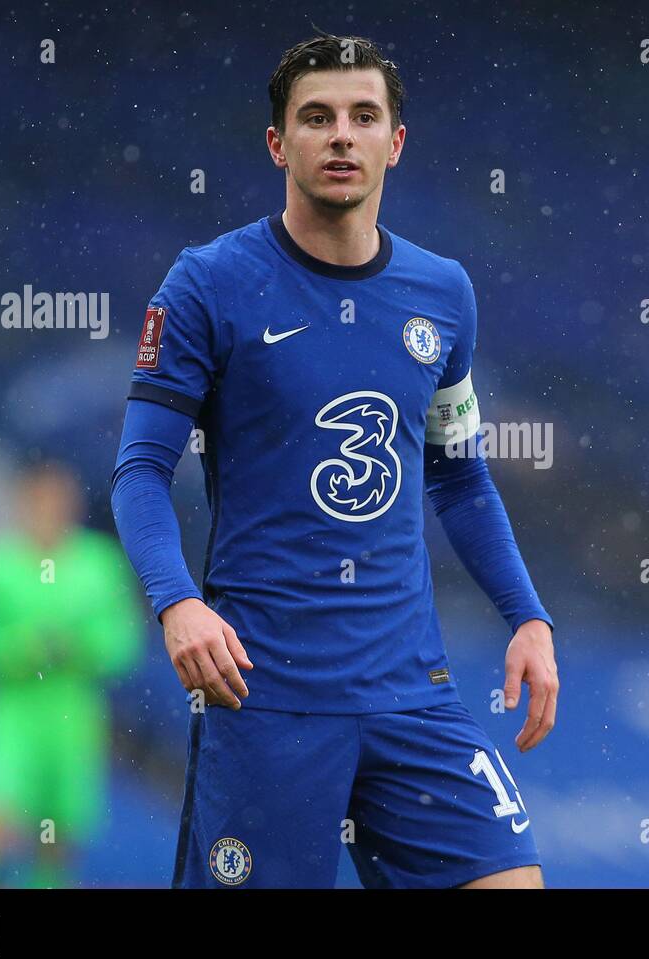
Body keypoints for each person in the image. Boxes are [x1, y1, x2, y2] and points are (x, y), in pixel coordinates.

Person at [111, 30, 558, 889]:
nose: (341, 135)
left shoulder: (443, 293)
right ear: (280, 144)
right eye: (317, 118)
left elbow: (458, 475)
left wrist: (527, 616)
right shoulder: (208, 284)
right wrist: (177, 605)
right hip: (266, 695)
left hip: (410, 693)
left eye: (363, 116)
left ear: (395, 141)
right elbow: (139, 470)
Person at [0, 459, 141, 887]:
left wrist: (79, 647)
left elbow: (123, 643)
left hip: (72, 713)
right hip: (11, 711)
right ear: (23, 503)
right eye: (40, 500)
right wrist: (16, 648)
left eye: (60, 500)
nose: (51, 509)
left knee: (58, 834)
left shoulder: (100, 564)